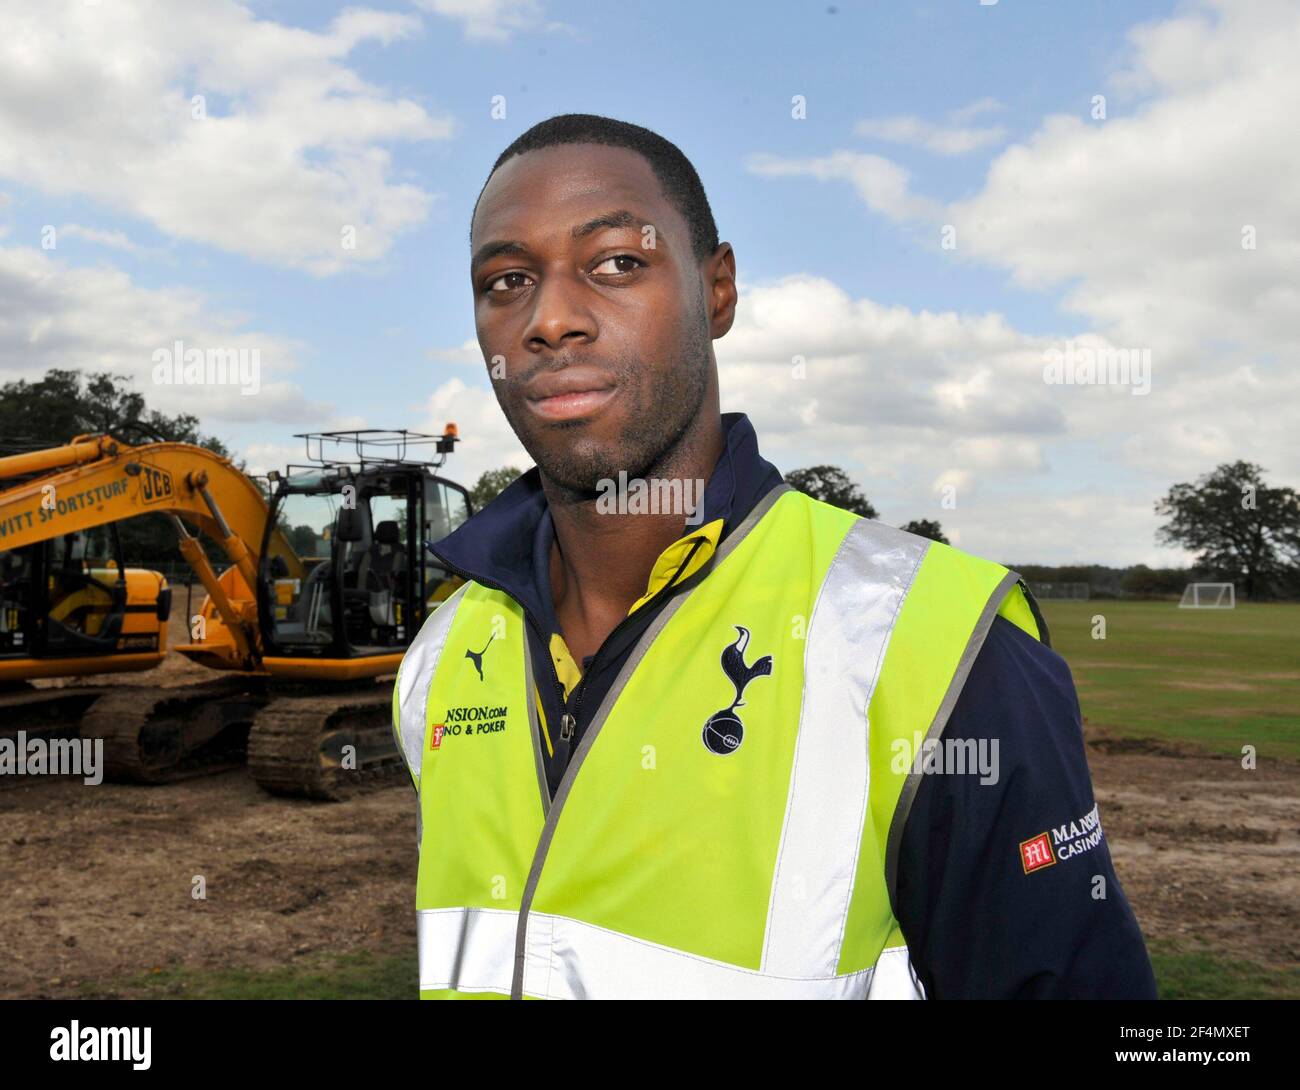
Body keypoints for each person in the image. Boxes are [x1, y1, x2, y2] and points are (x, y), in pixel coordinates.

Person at [392, 113, 1157, 1000]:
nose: (550, 318)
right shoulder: (441, 661)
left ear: (717, 292)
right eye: (507, 281)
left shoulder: (931, 640)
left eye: (617, 265)